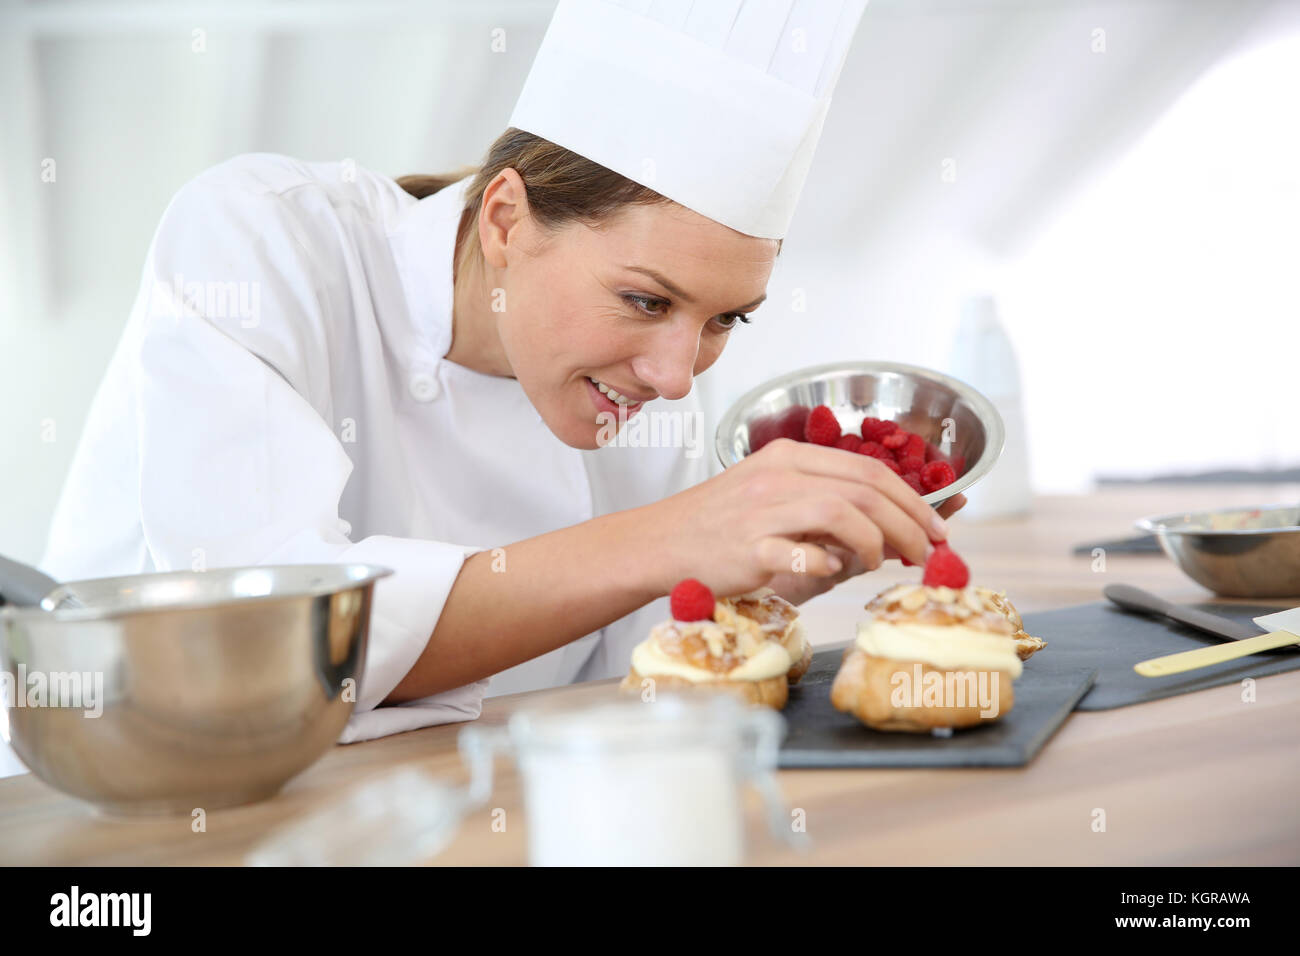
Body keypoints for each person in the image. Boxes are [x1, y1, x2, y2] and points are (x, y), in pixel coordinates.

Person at [41, 0, 962, 741]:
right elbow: (260, 643)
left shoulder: (641, 377)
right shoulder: (258, 237)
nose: (680, 373)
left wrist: (755, 576)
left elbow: (619, 681)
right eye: (646, 300)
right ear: (506, 221)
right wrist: (672, 537)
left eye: (724, 319)